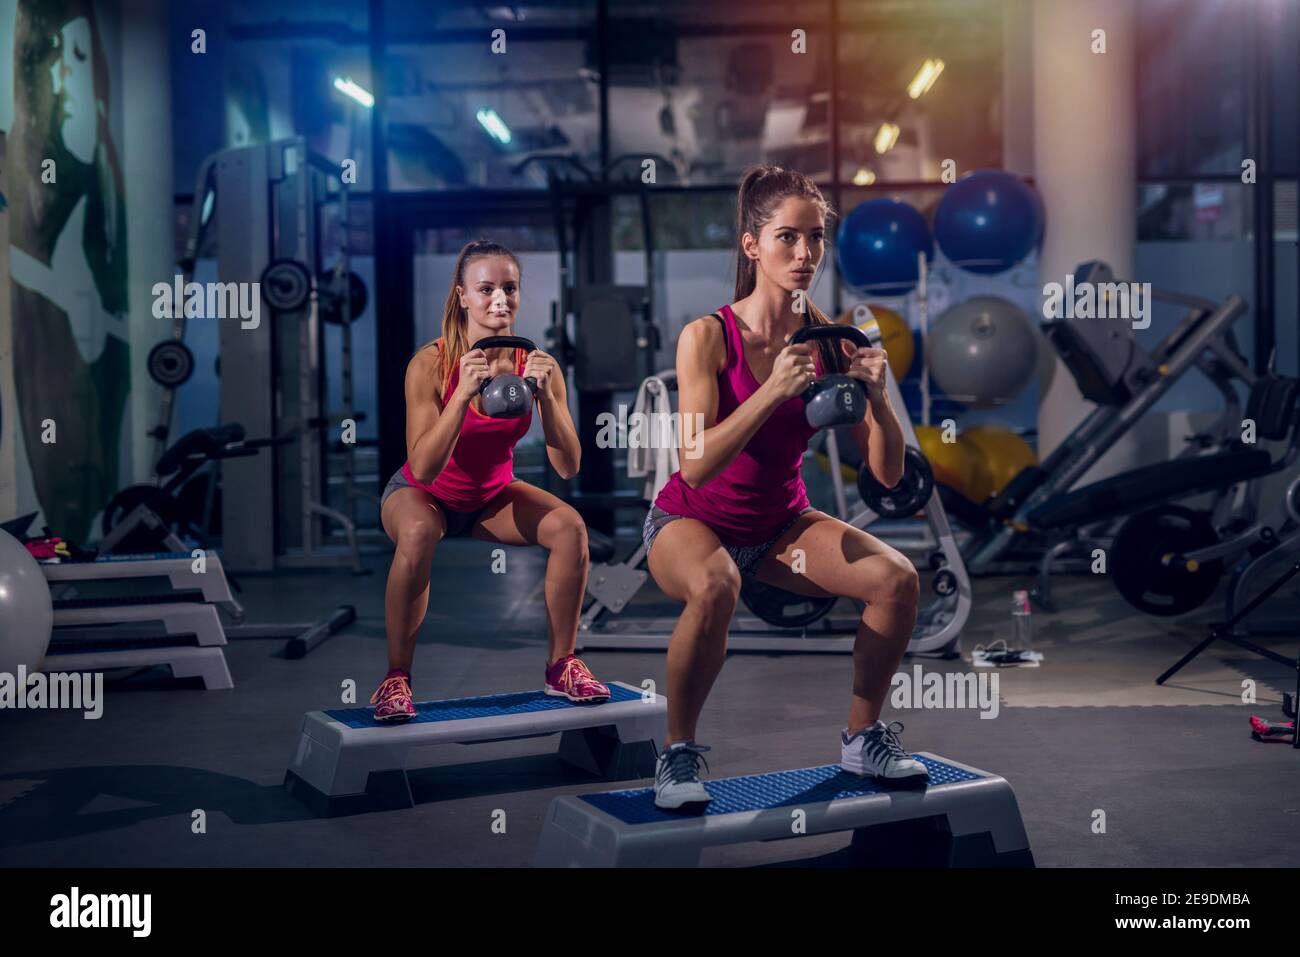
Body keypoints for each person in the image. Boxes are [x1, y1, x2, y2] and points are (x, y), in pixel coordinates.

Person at [643, 166, 928, 810]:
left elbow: (885, 477)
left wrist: (879, 402)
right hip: (691, 523)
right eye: (786, 238)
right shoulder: (707, 337)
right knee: (716, 584)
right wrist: (771, 391)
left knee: (897, 580)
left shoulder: (829, 341)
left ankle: (862, 738)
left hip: (778, 528)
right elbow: (692, 465)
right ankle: (678, 754)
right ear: (752, 245)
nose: (804, 255)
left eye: (815, 238)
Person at [370, 239, 609, 722]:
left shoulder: (537, 365)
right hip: (421, 495)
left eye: (509, 287)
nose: (499, 298)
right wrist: (460, 396)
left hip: (490, 497)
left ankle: (562, 665)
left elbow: (568, 466)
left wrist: (548, 401)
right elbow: (425, 467)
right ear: (462, 295)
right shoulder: (429, 364)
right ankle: (395, 679)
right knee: (418, 534)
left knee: (570, 528)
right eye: (485, 289)